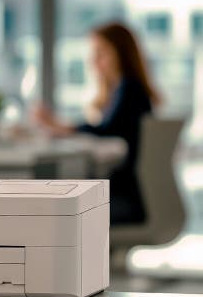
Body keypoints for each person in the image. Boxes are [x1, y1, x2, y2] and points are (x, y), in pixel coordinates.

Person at [33, 22, 161, 224]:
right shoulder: (121, 90)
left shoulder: (129, 90)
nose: (93, 61)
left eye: (101, 53)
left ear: (121, 54)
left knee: (53, 212)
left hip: (127, 200)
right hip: (126, 194)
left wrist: (61, 127)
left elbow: (107, 130)